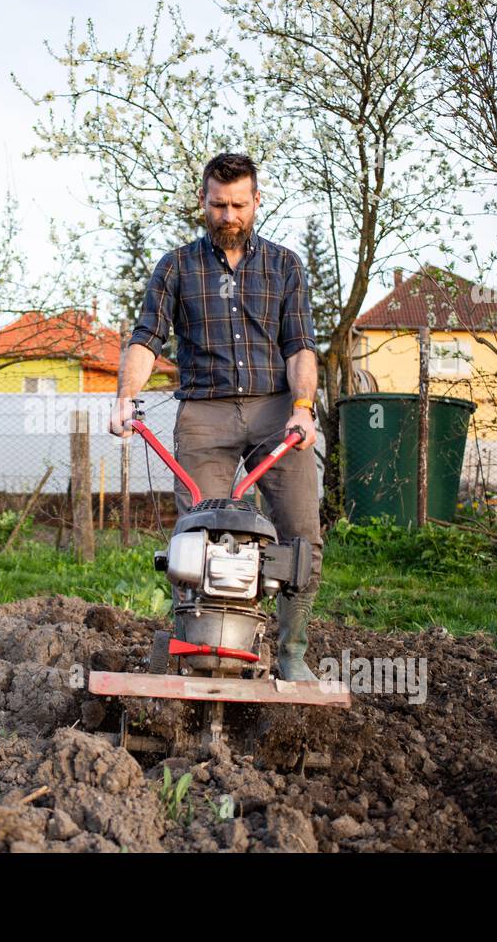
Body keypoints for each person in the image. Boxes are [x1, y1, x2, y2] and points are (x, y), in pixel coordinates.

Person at [108, 152, 322, 681]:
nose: (229, 216)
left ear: (256, 202)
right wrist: (124, 397)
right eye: (219, 205)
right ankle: (197, 648)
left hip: (276, 412)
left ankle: (292, 654)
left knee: (300, 537)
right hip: (204, 412)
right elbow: (146, 338)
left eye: (239, 205)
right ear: (202, 202)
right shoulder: (177, 267)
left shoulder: (284, 266)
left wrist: (302, 410)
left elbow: (299, 347)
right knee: (197, 534)